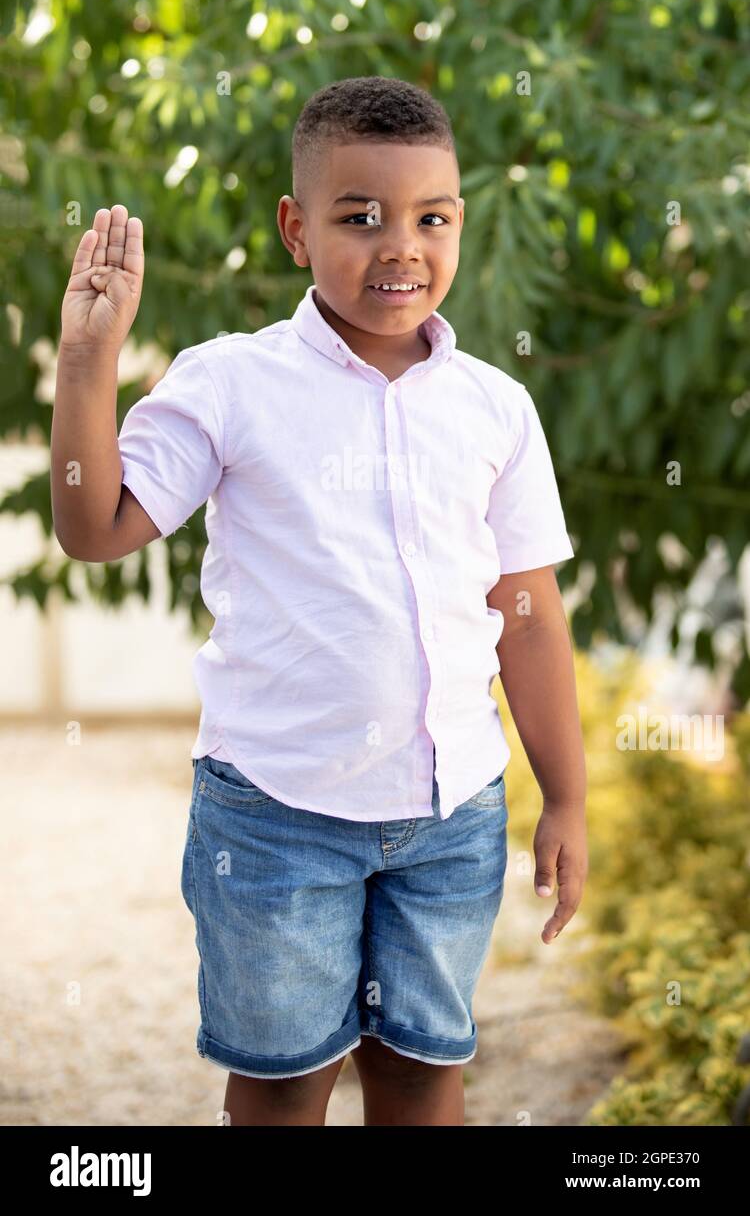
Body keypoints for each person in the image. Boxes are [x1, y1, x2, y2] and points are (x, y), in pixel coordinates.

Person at [50, 75, 588, 1127]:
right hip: (277, 819)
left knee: (422, 1068)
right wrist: (87, 364)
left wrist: (563, 794)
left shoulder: (496, 408)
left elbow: (528, 614)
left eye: (431, 218)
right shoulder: (231, 384)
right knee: (286, 1079)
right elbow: (91, 525)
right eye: (361, 217)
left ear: (461, 225)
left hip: (451, 818)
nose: (401, 246)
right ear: (297, 229)